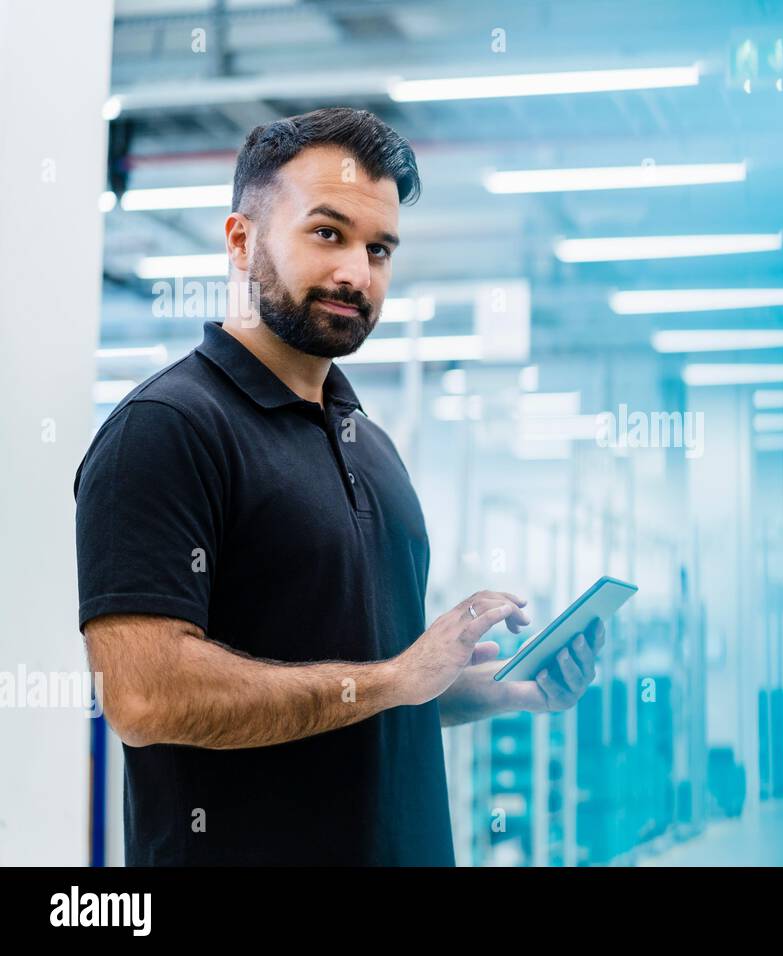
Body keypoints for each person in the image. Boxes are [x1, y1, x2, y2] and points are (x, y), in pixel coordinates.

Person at [73, 107, 603, 865]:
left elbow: (373, 691)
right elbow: (145, 695)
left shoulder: (371, 445)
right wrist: (393, 678)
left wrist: (500, 687)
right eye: (327, 233)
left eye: (378, 248)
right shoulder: (165, 430)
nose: (357, 272)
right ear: (241, 241)